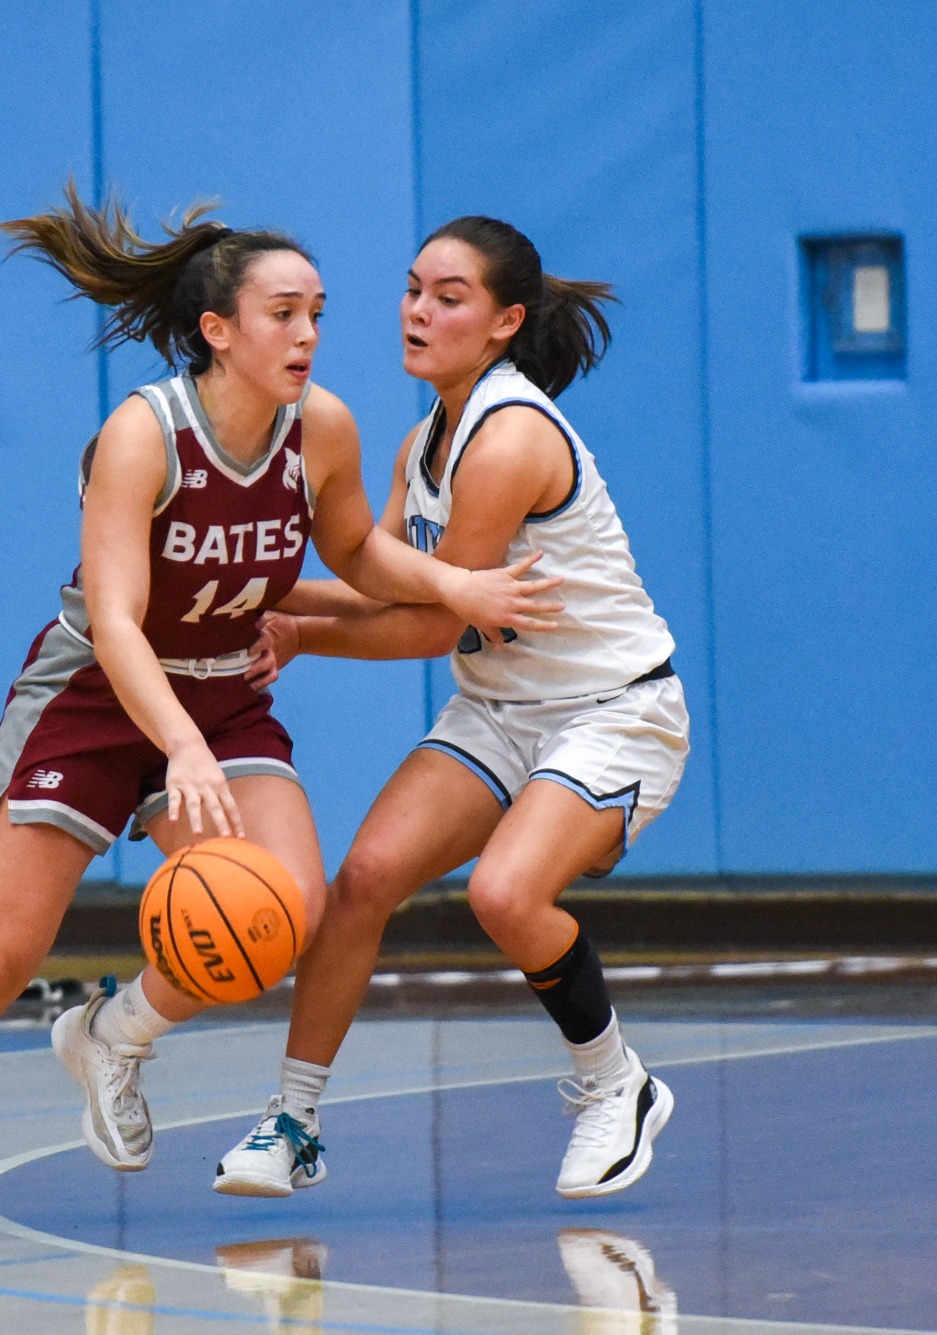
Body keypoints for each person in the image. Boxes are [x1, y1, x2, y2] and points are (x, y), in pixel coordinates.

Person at [0, 188, 561, 1226]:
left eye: (318, 313)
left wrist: (452, 586)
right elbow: (113, 619)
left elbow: (357, 553)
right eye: (282, 314)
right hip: (97, 696)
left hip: (224, 694)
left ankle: (114, 1034)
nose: (308, 334)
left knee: (285, 912)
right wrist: (180, 746)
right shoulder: (142, 435)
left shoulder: (322, 428)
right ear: (217, 330)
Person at [213, 216, 688, 1201]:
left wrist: (297, 630)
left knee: (504, 895)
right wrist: (268, 597)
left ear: (506, 321)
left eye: (448, 297)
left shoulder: (507, 439)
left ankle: (617, 1083)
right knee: (363, 880)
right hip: (500, 711)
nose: (417, 312)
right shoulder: (420, 442)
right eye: (411, 290)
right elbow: (382, 586)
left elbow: (432, 626)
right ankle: (293, 1120)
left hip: (611, 711)